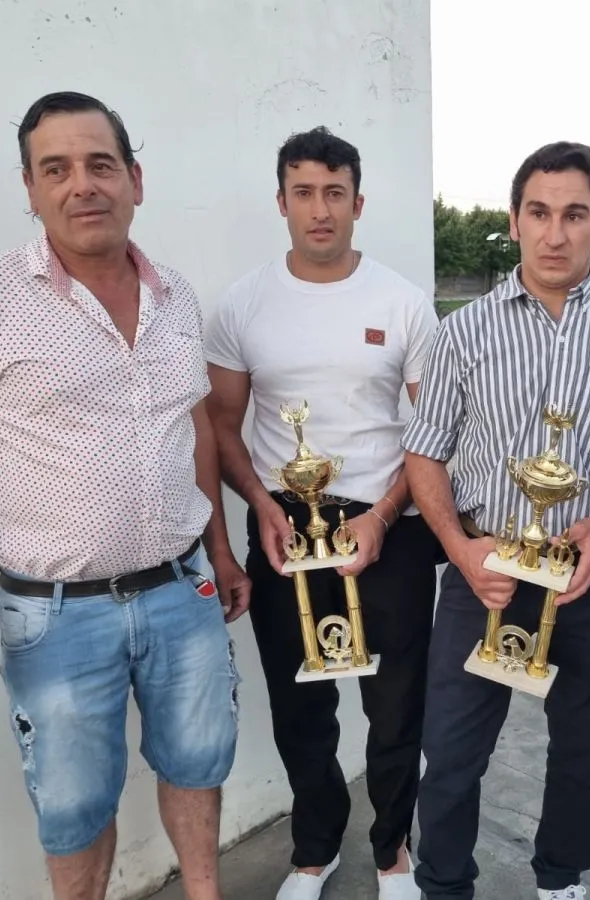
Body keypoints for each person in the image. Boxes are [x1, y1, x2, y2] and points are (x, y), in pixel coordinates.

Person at [0, 92, 249, 900]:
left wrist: (222, 552)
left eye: (100, 165)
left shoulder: (177, 297)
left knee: (198, 765)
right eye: (55, 169)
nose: (81, 185)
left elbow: (193, 428)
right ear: (29, 189)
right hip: (55, 613)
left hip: (184, 589)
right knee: (74, 808)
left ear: (135, 178)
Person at [402, 141, 590, 900]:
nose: (554, 233)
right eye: (538, 213)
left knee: (582, 753)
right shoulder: (463, 333)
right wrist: (460, 550)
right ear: (514, 221)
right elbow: (424, 453)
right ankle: (444, 883)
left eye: (574, 215)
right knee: (453, 751)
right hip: (485, 573)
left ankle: (560, 882)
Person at [202, 126, 440, 900]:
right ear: (281, 202)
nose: (320, 209)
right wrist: (264, 506)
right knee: (300, 699)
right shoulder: (243, 304)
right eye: (303, 192)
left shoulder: (404, 304)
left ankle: (394, 851)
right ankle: (314, 851)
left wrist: (383, 517)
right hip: (284, 525)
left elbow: (431, 435)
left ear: (358, 203)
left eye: (334, 192)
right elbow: (222, 429)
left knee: (395, 699)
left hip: (388, 525)